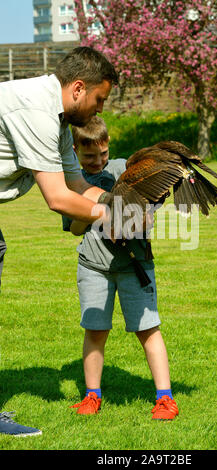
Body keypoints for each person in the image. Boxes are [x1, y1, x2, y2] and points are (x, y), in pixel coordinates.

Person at [0, 46, 118, 436]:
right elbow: (58, 199)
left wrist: (126, 202)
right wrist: (122, 217)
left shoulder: (59, 120)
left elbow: (79, 185)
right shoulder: (36, 111)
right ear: (79, 88)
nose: (100, 110)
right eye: (100, 99)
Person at [64, 116, 179, 420]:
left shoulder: (123, 169)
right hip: (94, 267)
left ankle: (165, 398)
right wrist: (98, 210)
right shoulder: (72, 181)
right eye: (89, 156)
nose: (97, 161)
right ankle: (92, 396)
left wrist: (139, 216)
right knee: (95, 330)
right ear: (75, 150)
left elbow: (149, 213)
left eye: (102, 154)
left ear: (108, 146)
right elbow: (75, 228)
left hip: (134, 265)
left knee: (148, 329)